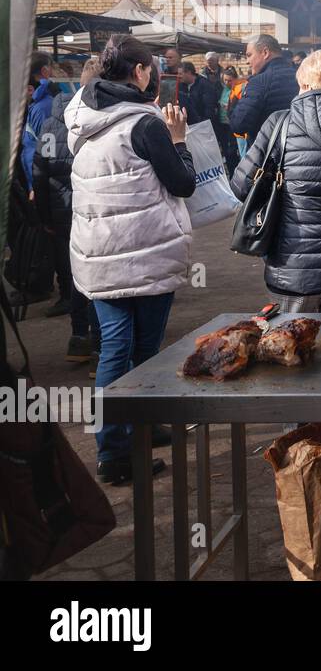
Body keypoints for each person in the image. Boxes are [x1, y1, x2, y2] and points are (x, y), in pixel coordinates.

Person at [65, 34, 195, 485]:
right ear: (140, 72)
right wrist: (179, 139)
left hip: (97, 254)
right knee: (139, 350)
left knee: (114, 349)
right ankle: (117, 452)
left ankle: (129, 434)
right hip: (147, 254)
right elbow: (182, 184)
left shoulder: (79, 115)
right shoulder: (145, 123)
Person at [231, 50, 321, 311]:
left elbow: (242, 186)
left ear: (306, 85)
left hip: (295, 266)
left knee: (292, 344)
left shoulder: (280, 123)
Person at [32, 58, 101, 361]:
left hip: (62, 216)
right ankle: (99, 344)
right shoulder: (102, 119)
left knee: (77, 278)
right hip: (94, 214)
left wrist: (45, 218)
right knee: (98, 280)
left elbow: (40, 172)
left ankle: (78, 337)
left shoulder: (52, 121)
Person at [229, 34, 297, 142]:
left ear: (265, 53)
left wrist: (234, 103)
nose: (247, 61)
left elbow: (239, 125)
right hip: (296, 149)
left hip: (266, 152)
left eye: (249, 55)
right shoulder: (300, 76)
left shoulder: (258, 82)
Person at [21, 51, 56, 190]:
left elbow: (47, 153)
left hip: (39, 184)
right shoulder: (40, 105)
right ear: (45, 71)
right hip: (37, 183)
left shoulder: (42, 106)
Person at [216, 66, 242, 172]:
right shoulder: (221, 89)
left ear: (234, 79)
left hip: (232, 124)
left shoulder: (238, 89)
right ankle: (231, 171)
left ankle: (236, 171)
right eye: (225, 80)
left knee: (233, 151)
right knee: (226, 150)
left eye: (229, 80)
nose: (227, 82)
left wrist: (230, 107)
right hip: (222, 123)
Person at [178, 61, 219, 126]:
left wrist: (202, 123)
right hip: (187, 126)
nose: (178, 76)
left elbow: (210, 108)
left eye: (180, 74)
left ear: (188, 72)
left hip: (202, 125)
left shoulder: (205, 85)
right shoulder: (181, 86)